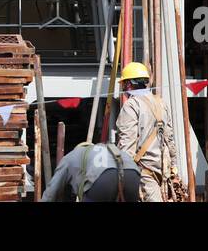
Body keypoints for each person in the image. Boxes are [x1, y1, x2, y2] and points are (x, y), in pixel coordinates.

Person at [114, 61, 186, 202]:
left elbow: (126, 145)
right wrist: (174, 167)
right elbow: (170, 140)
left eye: (123, 85)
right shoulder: (161, 103)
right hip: (164, 171)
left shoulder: (131, 105)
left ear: (129, 84)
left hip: (145, 172)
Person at [41, 141, 142, 202]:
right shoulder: (101, 150)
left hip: (104, 178)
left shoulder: (71, 157)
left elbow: (51, 191)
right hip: (132, 174)